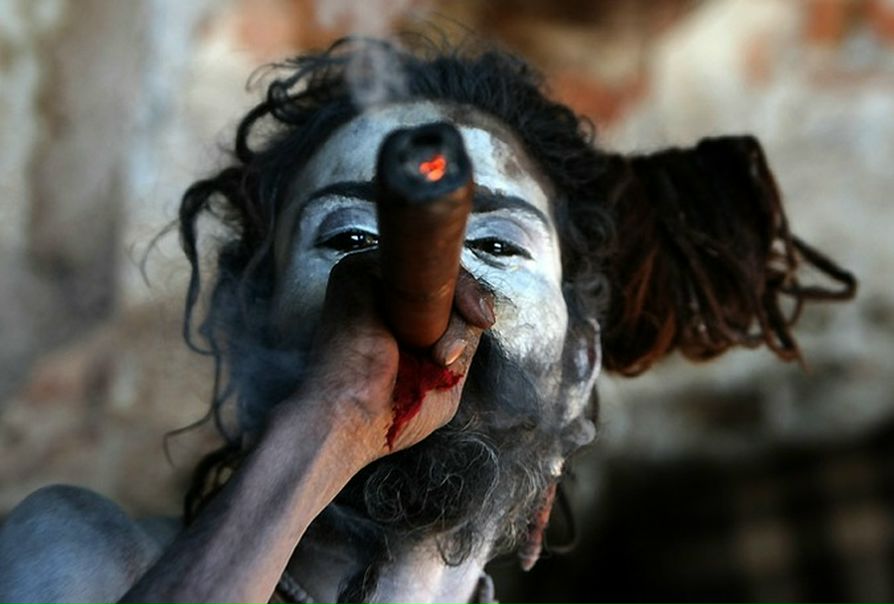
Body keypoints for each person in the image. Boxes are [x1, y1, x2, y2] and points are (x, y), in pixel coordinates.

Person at [0, 37, 854, 604]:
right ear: (249, 326)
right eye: (348, 236)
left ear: (579, 367)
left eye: (502, 244)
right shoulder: (84, 560)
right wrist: (335, 417)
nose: (446, 280)